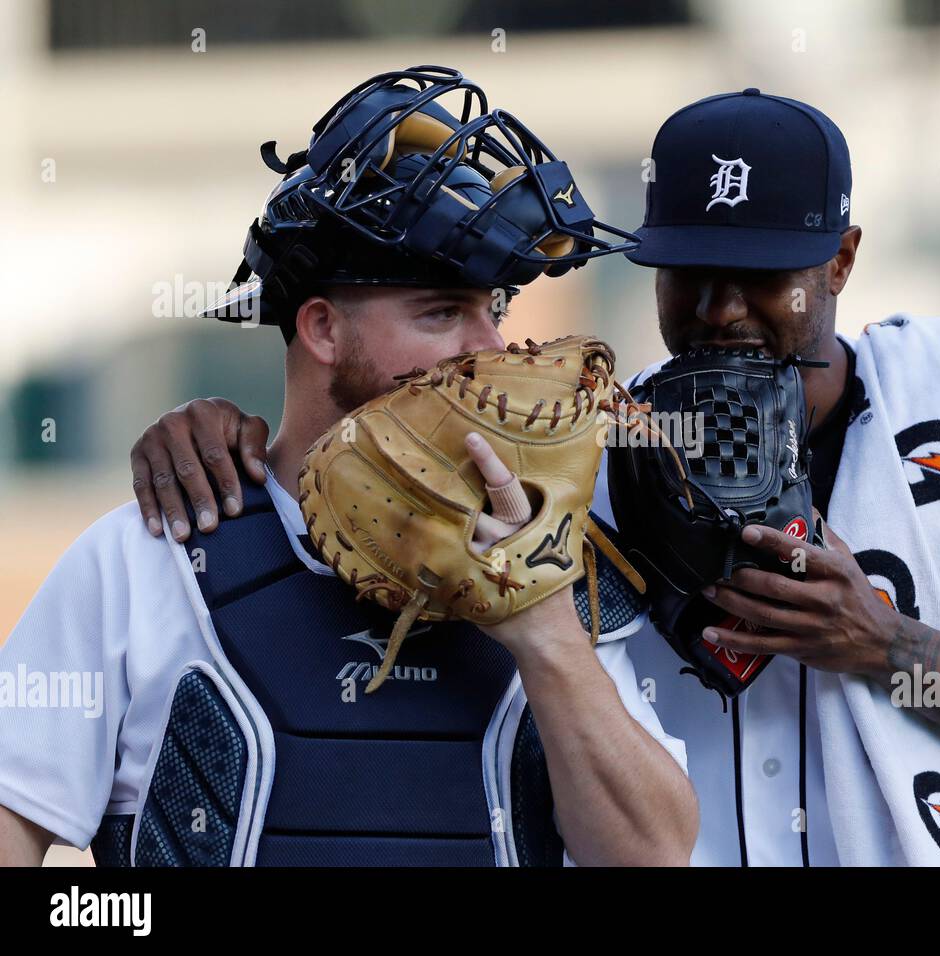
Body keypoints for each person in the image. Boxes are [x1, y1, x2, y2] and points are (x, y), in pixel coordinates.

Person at [114, 89, 940, 866]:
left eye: (764, 274)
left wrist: (889, 647)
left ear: (842, 260)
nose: (723, 309)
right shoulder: (576, 444)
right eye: (691, 271)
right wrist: (217, 434)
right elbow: (356, 455)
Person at [0, 67, 696, 868]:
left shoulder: (547, 553)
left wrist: (545, 636)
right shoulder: (145, 558)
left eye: (491, 310)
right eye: (441, 313)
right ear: (323, 330)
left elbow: (653, 856)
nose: (490, 348)